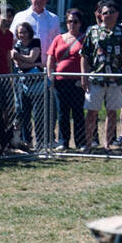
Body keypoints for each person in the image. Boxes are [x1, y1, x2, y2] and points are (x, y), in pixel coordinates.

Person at [82, 0, 122, 152]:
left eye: (112, 12)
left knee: (112, 113)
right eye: (105, 12)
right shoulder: (92, 31)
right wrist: (83, 77)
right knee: (91, 112)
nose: (108, 15)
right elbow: (84, 55)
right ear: (100, 15)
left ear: (117, 14)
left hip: (117, 81)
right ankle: (88, 144)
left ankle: (107, 144)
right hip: (96, 80)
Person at [46, 10, 86, 150]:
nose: (72, 24)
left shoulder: (85, 39)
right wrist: (50, 76)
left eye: (75, 21)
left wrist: (84, 78)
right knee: (63, 113)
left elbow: (88, 60)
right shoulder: (58, 38)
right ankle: (63, 141)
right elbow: (51, 57)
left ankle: (80, 142)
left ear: (80, 23)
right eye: (69, 21)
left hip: (77, 82)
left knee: (78, 113)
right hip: (60, 81)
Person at [9, 21, 43, 149]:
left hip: (37, 82)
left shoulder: (35, 42)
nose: (22, 35)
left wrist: (20, 57)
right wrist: (35, 65)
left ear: (29, 32)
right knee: (23, 111)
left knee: (39, 113)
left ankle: (41, 141)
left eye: (24, 32)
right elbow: (21, 65)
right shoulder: (16, 45)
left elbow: (31, 58)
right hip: (23, 82)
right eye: (19, 32)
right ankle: (26, 141)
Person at [12, 0, 60, 65]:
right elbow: (12, 41)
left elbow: (57, 43)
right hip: (22, 67)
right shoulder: (20, 16)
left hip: (45, 67)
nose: (39, 0)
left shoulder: (54, 19)